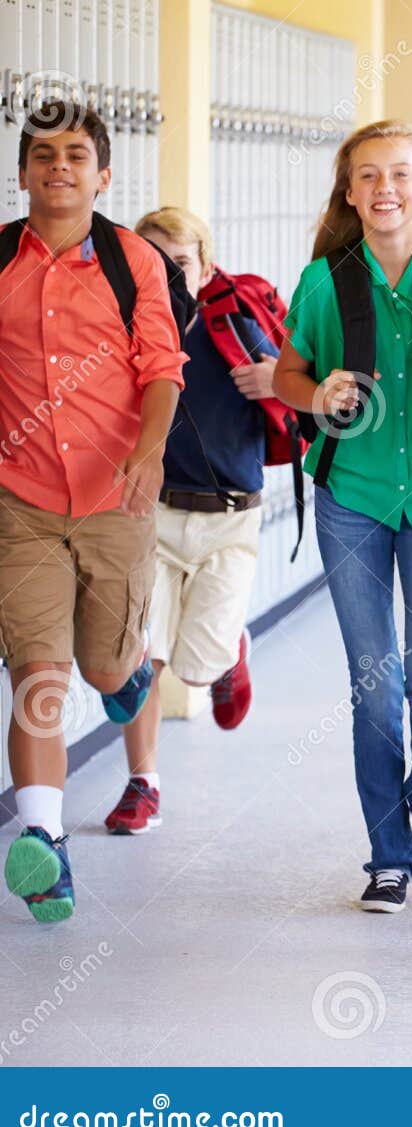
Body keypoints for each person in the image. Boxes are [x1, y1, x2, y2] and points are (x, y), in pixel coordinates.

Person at [272, 120, 412, 914]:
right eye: (368, 176)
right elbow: (287, 374)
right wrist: (316, 392)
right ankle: (387, 853)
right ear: (350, 192)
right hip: (351, 498)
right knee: (374, 681)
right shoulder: (325, 281)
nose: (385, 188)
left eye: (401, 174)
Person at [0, 103, 185, 922]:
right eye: (42, 155)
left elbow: (162, 367)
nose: (58, 167)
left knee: (106, 668)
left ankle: (130, 676)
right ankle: (44, 844)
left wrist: (147, 452)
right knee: (38, 673)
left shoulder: (132, 259)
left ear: (103, 173)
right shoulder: (1, 260)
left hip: (116, 496)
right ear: (23, 173)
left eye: (76, 154)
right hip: (22, 500)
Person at [106, 207, 278, 837]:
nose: (166, 274)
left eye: (178, 262)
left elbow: (298, 384)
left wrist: (274, 381)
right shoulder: (125, 331)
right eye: (150, 261)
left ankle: (228, 649)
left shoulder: (232, 323)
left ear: (205, 267)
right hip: (153, 513)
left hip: (230, 520)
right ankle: (142, 782)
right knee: (138, 654)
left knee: (197, 672)